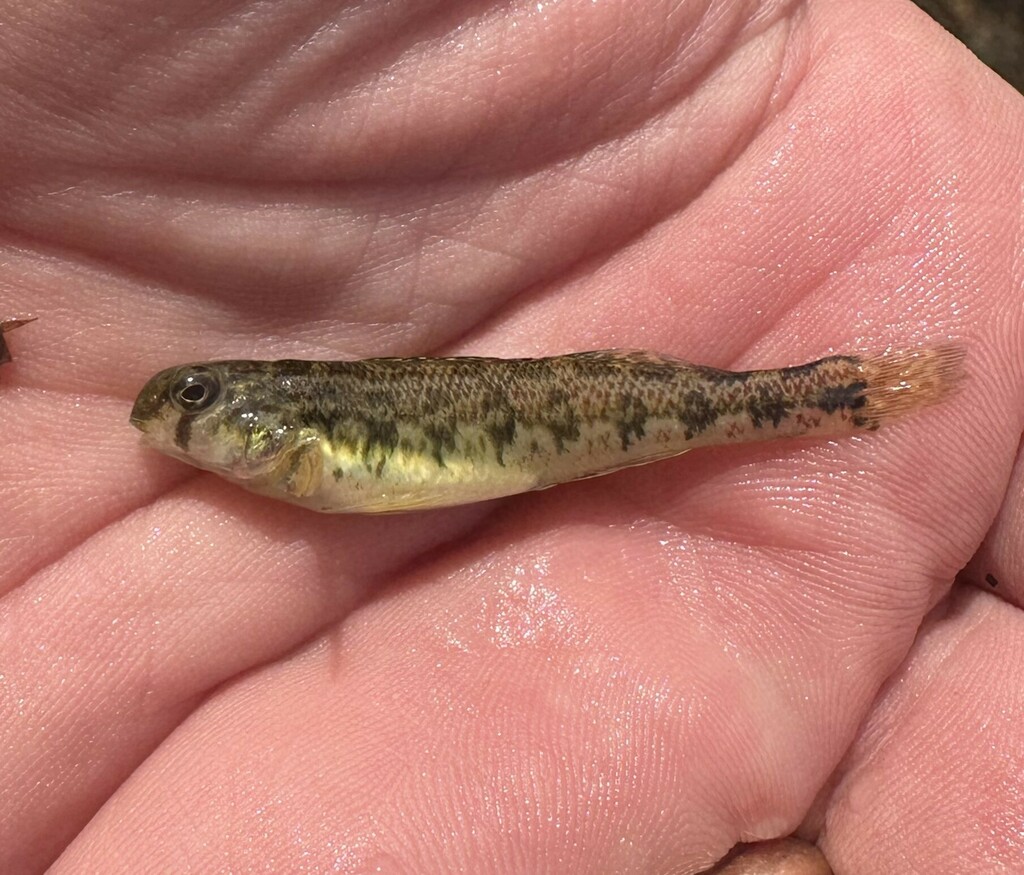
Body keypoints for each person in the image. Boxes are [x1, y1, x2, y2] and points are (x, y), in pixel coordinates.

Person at [1, 0, 1021, 872]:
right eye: (182, 411)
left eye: (193, 410)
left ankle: (830, 396)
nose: (173, 428)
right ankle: (830, 395)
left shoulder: (301, 445)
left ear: (261, 419)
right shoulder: (290, 448)